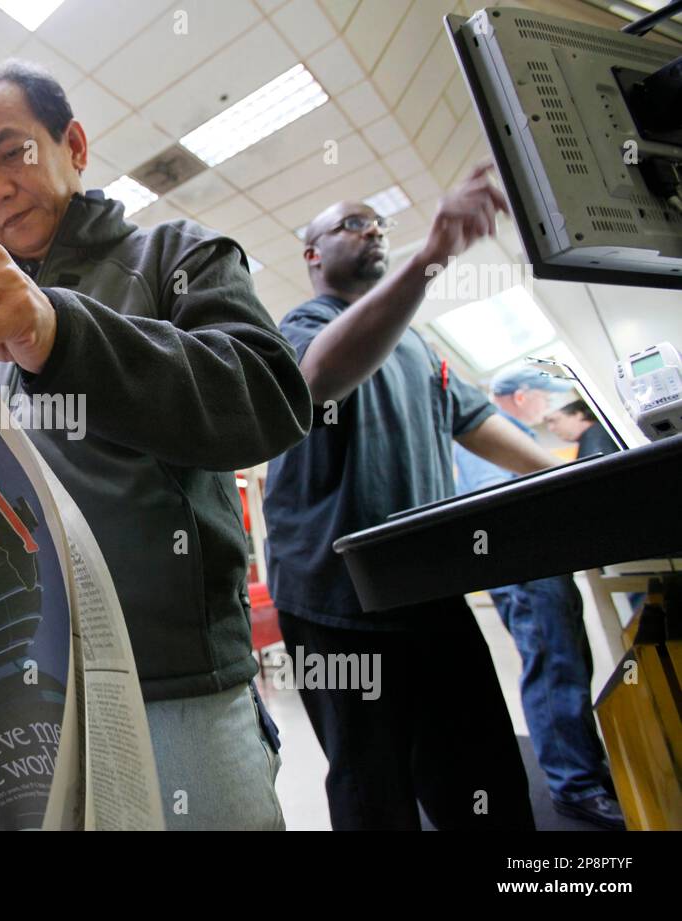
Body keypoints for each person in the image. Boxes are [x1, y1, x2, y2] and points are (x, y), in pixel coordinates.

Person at [0, 60, 312, 829]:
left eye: (12, 152)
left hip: (176, 690)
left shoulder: (175, 254)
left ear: (73, 145)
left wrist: (53, 329)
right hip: (30, 700)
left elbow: (268, 396)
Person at [262, 163, 562, 831]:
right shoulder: (298, 326)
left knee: (484, 780)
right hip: (336, 603)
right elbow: (318, 380)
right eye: (353, 224)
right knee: (375, 793)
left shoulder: (417, 343)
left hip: (429, 590)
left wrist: (570, 483)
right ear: (312, 254)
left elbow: (476, 420)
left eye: (379, 224)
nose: (372, 231)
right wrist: (431, 256)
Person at [454, 368, 624, 830]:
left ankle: (586, 766)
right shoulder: (489, 432)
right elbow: (498, 500)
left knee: (570, 667)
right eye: (545, 398)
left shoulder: (516, 434)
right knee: (553, 670)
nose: (550, 409)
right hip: (523, 566)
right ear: (523, 396)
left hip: (543, 563)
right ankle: (575, 785)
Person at [546, 398, 621, 459]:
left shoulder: (596, 439)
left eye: (554, 421)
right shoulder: (597, 434)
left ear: (578, 414)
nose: (550, 428)